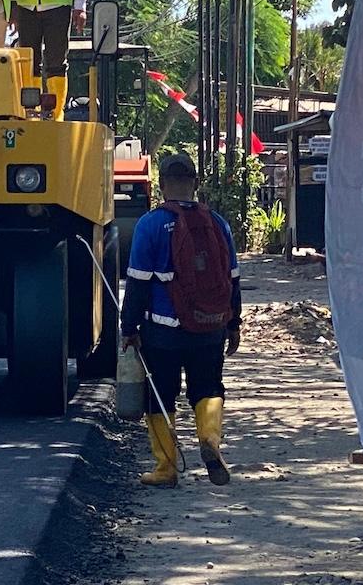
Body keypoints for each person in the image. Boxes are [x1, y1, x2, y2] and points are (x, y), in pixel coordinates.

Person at [121, 153, 243, 489]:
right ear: (196, 183)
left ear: (161, 185)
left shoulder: (150, 224)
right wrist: (233, 324)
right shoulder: (218, 223)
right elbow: (232, 278)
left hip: (163, 330)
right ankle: (210, 441)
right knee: (208, 387)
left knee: (160, 393)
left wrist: (128, 329)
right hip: (210, 327)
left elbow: (138, 282)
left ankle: (166, 468)